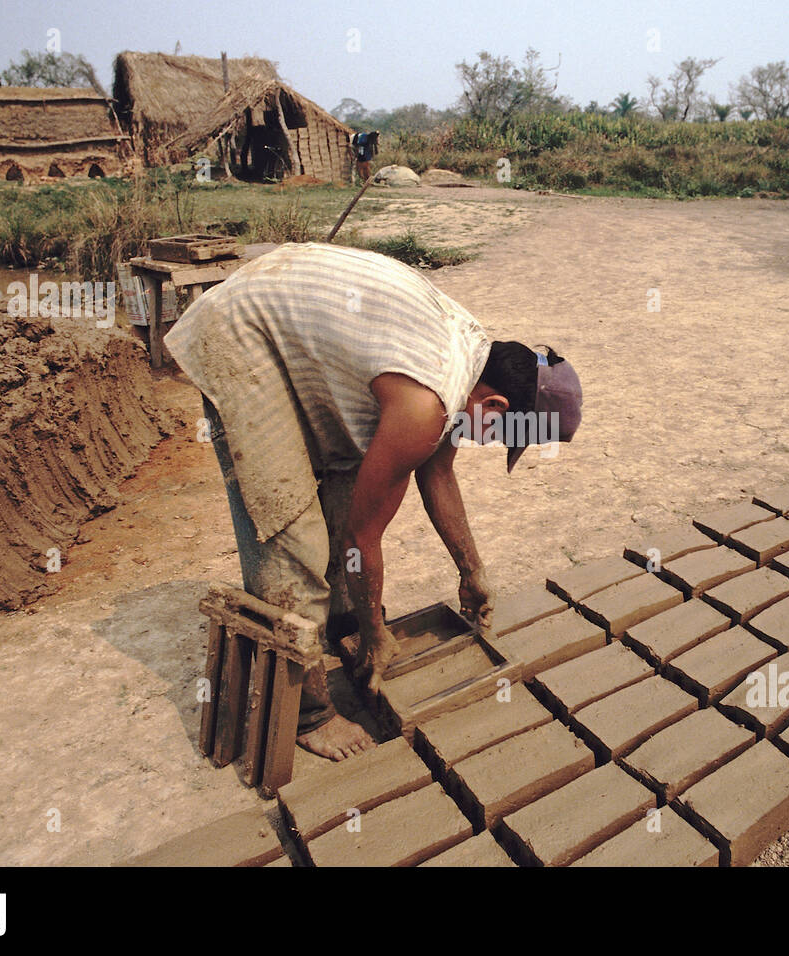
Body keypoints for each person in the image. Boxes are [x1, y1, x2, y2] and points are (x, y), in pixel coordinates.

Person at [164, 242, 583, 760]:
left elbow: (439, 474)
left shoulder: (471, 362)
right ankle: (307, 711)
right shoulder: (426, 399)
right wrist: (377, 628)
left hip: (292, 317)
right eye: (501, 434)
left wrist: (471, 571)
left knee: (347, 481)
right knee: (292, 534)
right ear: (495, 403)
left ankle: (338, 626)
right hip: (242, 330)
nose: (490, 442)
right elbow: (366, 539)